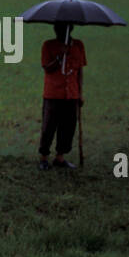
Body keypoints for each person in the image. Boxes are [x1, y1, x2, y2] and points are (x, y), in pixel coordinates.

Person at [38, 22, 85, 170]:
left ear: (70, 30)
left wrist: (80, 93)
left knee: (68, 126)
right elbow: (47, 68)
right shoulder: (48, 46)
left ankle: (60, 157)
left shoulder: (78, 46)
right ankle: (44, 157)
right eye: (58, 29)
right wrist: (60, 57)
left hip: (71, 94)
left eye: (64, 29)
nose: (60, 32)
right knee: (49, 126)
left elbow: (80, 71)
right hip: (53, 94)